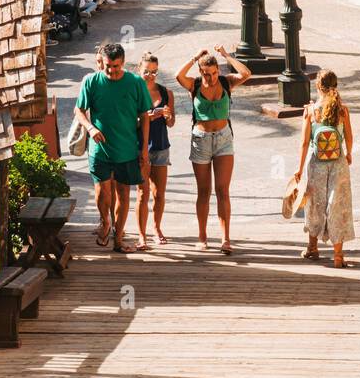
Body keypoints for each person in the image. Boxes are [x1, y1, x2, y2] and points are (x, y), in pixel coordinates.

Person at [74, 41, 152, 254]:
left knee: (123, 194)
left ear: (123, 63)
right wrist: (90, 128)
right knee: (102, 192)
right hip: (100, 149)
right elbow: (79, 110)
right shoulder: (92, 81)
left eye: (116, 66)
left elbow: (144, 116)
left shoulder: (135, 82)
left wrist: (144, 148)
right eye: (108, 66)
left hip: (127, 149)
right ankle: (105, 221)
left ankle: (118, 239)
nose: (111, 70)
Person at [176, 44, 252, 254]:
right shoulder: (195, 85)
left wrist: (227, 55)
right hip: (200, 139)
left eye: (214, 73)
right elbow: (177, 75)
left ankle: (226, 239)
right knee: (203, 191)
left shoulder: (227, 82)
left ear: (219, 71)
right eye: (207, 74)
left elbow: (246, 73)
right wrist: (194, 57)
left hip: (223, 139)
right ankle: (202, 236)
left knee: (222, 190)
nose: (211, 78)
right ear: (201, 72)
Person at [292, 68, 355, 267]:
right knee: (338, 205)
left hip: (317, 163)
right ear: (336, 86)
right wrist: (348, 154)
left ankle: (312, 248)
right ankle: (338, 256)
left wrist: (299, 168)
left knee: (315, 203)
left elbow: (304, 143)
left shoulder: (311, 111)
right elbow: (350, 139)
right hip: (338, 164)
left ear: (318, 87)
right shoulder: (342, 109)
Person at [137, 53, 175, 248]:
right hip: (140, 148)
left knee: (159, 194)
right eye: (146, 72)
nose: (151, 76)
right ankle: (141, 235)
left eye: (154, 72)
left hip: (160, 146)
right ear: (139, 70)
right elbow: (128, 122)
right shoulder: (134, 92)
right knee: (142, 193)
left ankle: (156, 228)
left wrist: (167, 116)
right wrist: (147, 118)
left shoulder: (166, 92)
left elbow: (171, 123)